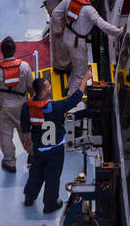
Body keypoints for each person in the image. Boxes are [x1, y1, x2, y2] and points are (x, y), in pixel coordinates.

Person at [21, 70, 89, 214]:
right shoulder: (56, 107)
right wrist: (85, 79)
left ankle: (29, 196)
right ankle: (50, 203)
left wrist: (28, 144)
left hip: (39, 147)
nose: (50, 87)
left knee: (36, 172)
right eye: (48, 86)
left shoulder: (27, 107)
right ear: (44, 91)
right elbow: (75, 98)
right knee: (52, 175)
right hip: (55, 149)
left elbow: (25, 128)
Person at [51, 0, 123, 83]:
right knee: (80, 74)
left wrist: (58, 30)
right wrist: (119, 32)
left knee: (74, 65)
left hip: (66, 38)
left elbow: (55, 14)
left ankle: (69, 86)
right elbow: (103, 25)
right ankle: (73, 95)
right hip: (77, 44)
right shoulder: (89, 10)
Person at [0, 37, 34, 173]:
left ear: (1, 51)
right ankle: (33, 155)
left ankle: (9, 162)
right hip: (23, 106)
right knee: (26, 131)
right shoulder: (24, 66)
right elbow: (31, 87)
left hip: (3, 108)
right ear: (15, 50)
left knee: (5, 136)